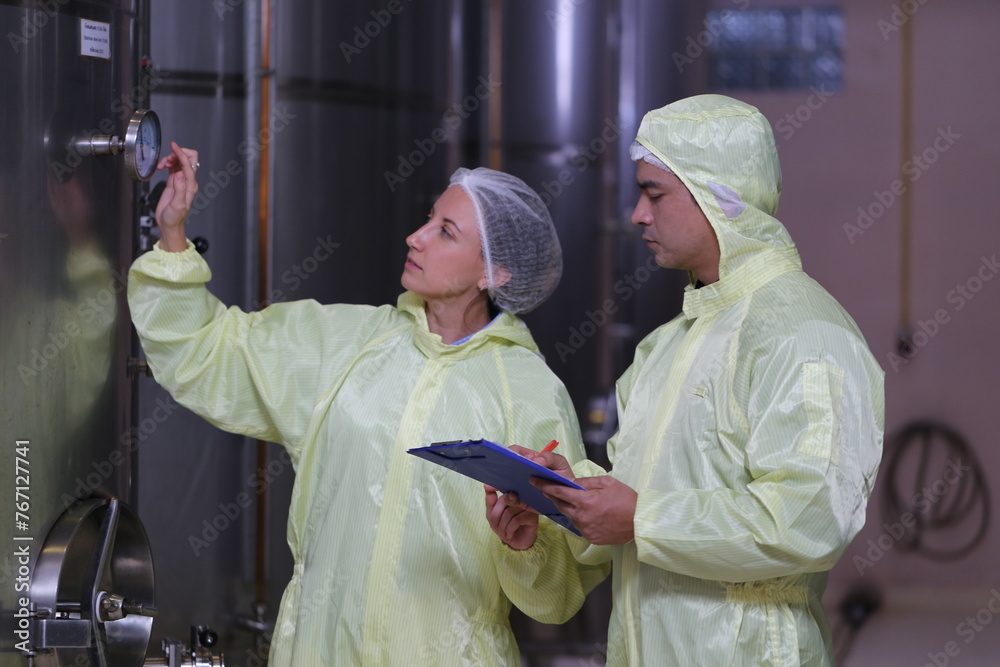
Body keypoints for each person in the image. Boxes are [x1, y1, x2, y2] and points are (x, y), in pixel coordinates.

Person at [128, 142, 608, 666]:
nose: (415, 237)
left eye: (445, 232)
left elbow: (559, 593)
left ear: (495, 273)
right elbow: (210, 347)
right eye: (429, 219)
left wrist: (524, 546)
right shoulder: (345, 344)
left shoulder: (528, 390)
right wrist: (172, 233)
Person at [489, 95, 885, 666]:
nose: (636, 216)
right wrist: (565, 495)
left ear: (720, 195)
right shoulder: (666, 346)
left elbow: (807, 521)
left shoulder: (806, 334)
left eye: (654, 194)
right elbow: (643, 499)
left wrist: (640, 518)